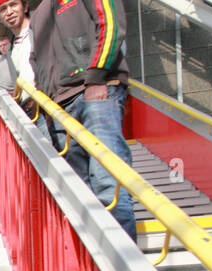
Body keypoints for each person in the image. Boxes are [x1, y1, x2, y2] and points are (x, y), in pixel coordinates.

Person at [29, 0, 136, 240]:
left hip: (95, 91)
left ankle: (123, 266)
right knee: (81, 195)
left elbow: (111, 25)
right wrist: (47, 105)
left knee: (108, 185)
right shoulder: (39, 14)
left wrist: (96, 77)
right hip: (59, 107)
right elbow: (37, 62)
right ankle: (97, 267)